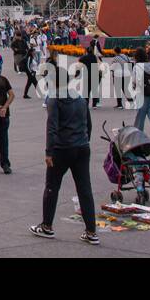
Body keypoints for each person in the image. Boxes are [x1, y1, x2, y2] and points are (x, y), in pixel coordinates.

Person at [29, 64, 99, 246]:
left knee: (52, 187)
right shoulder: (81, 98)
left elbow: (52, 128)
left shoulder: (54, 99)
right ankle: (91, 232)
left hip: (62, 148)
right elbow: (88, 124)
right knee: (84, 189)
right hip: (82, 147)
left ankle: (47, 226)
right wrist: (84, 140)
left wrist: (49, 152)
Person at [132, 48, 150, 142]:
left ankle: (138, 135)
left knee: (140, 115)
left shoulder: (137, 67)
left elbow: (134, 81)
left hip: (141, 93)